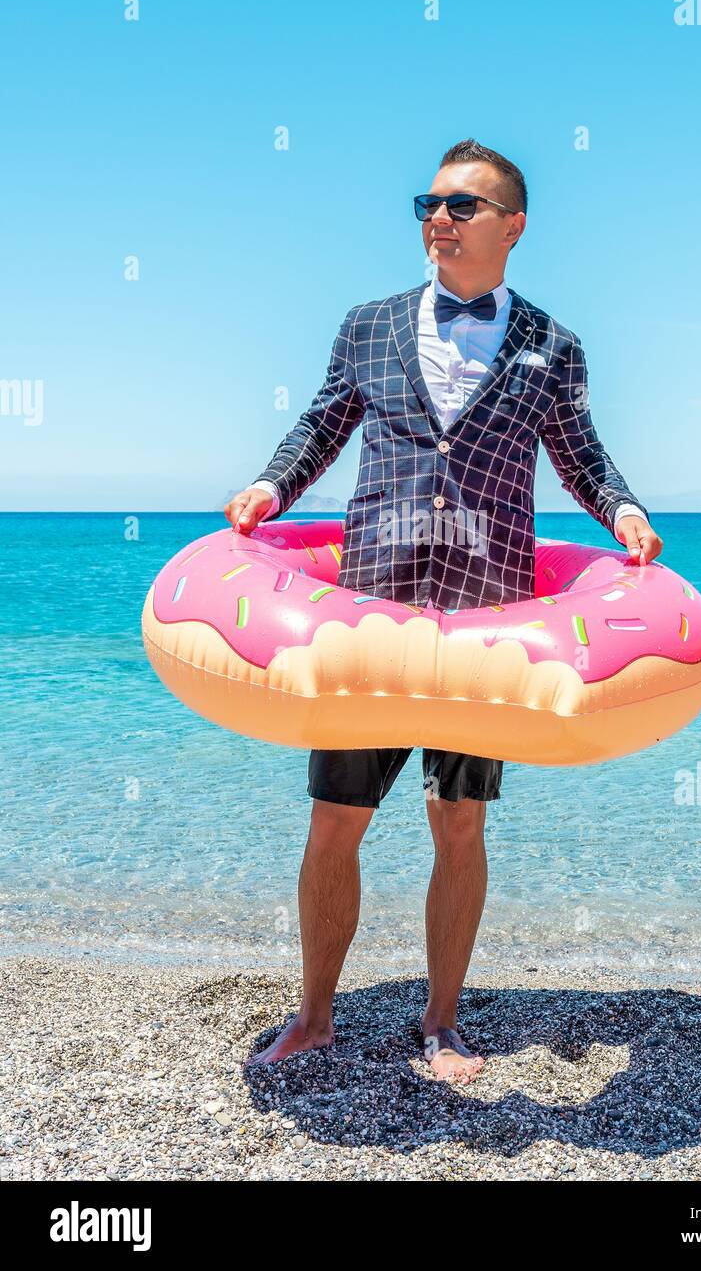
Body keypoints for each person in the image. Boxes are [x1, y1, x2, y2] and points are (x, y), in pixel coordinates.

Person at [225, 139, 662, 1083]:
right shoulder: (368, 324)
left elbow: (581, 453)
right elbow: (321, 423)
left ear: (512, 224)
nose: (439, 218)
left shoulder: (554, 345)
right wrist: (269, 487)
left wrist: (623, 512)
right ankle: (313, 1017)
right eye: (429, 202)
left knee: (458, 824)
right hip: (368, 618)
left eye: (461, 206)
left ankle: (442, 1021)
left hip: (488, 626)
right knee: (335, 821)